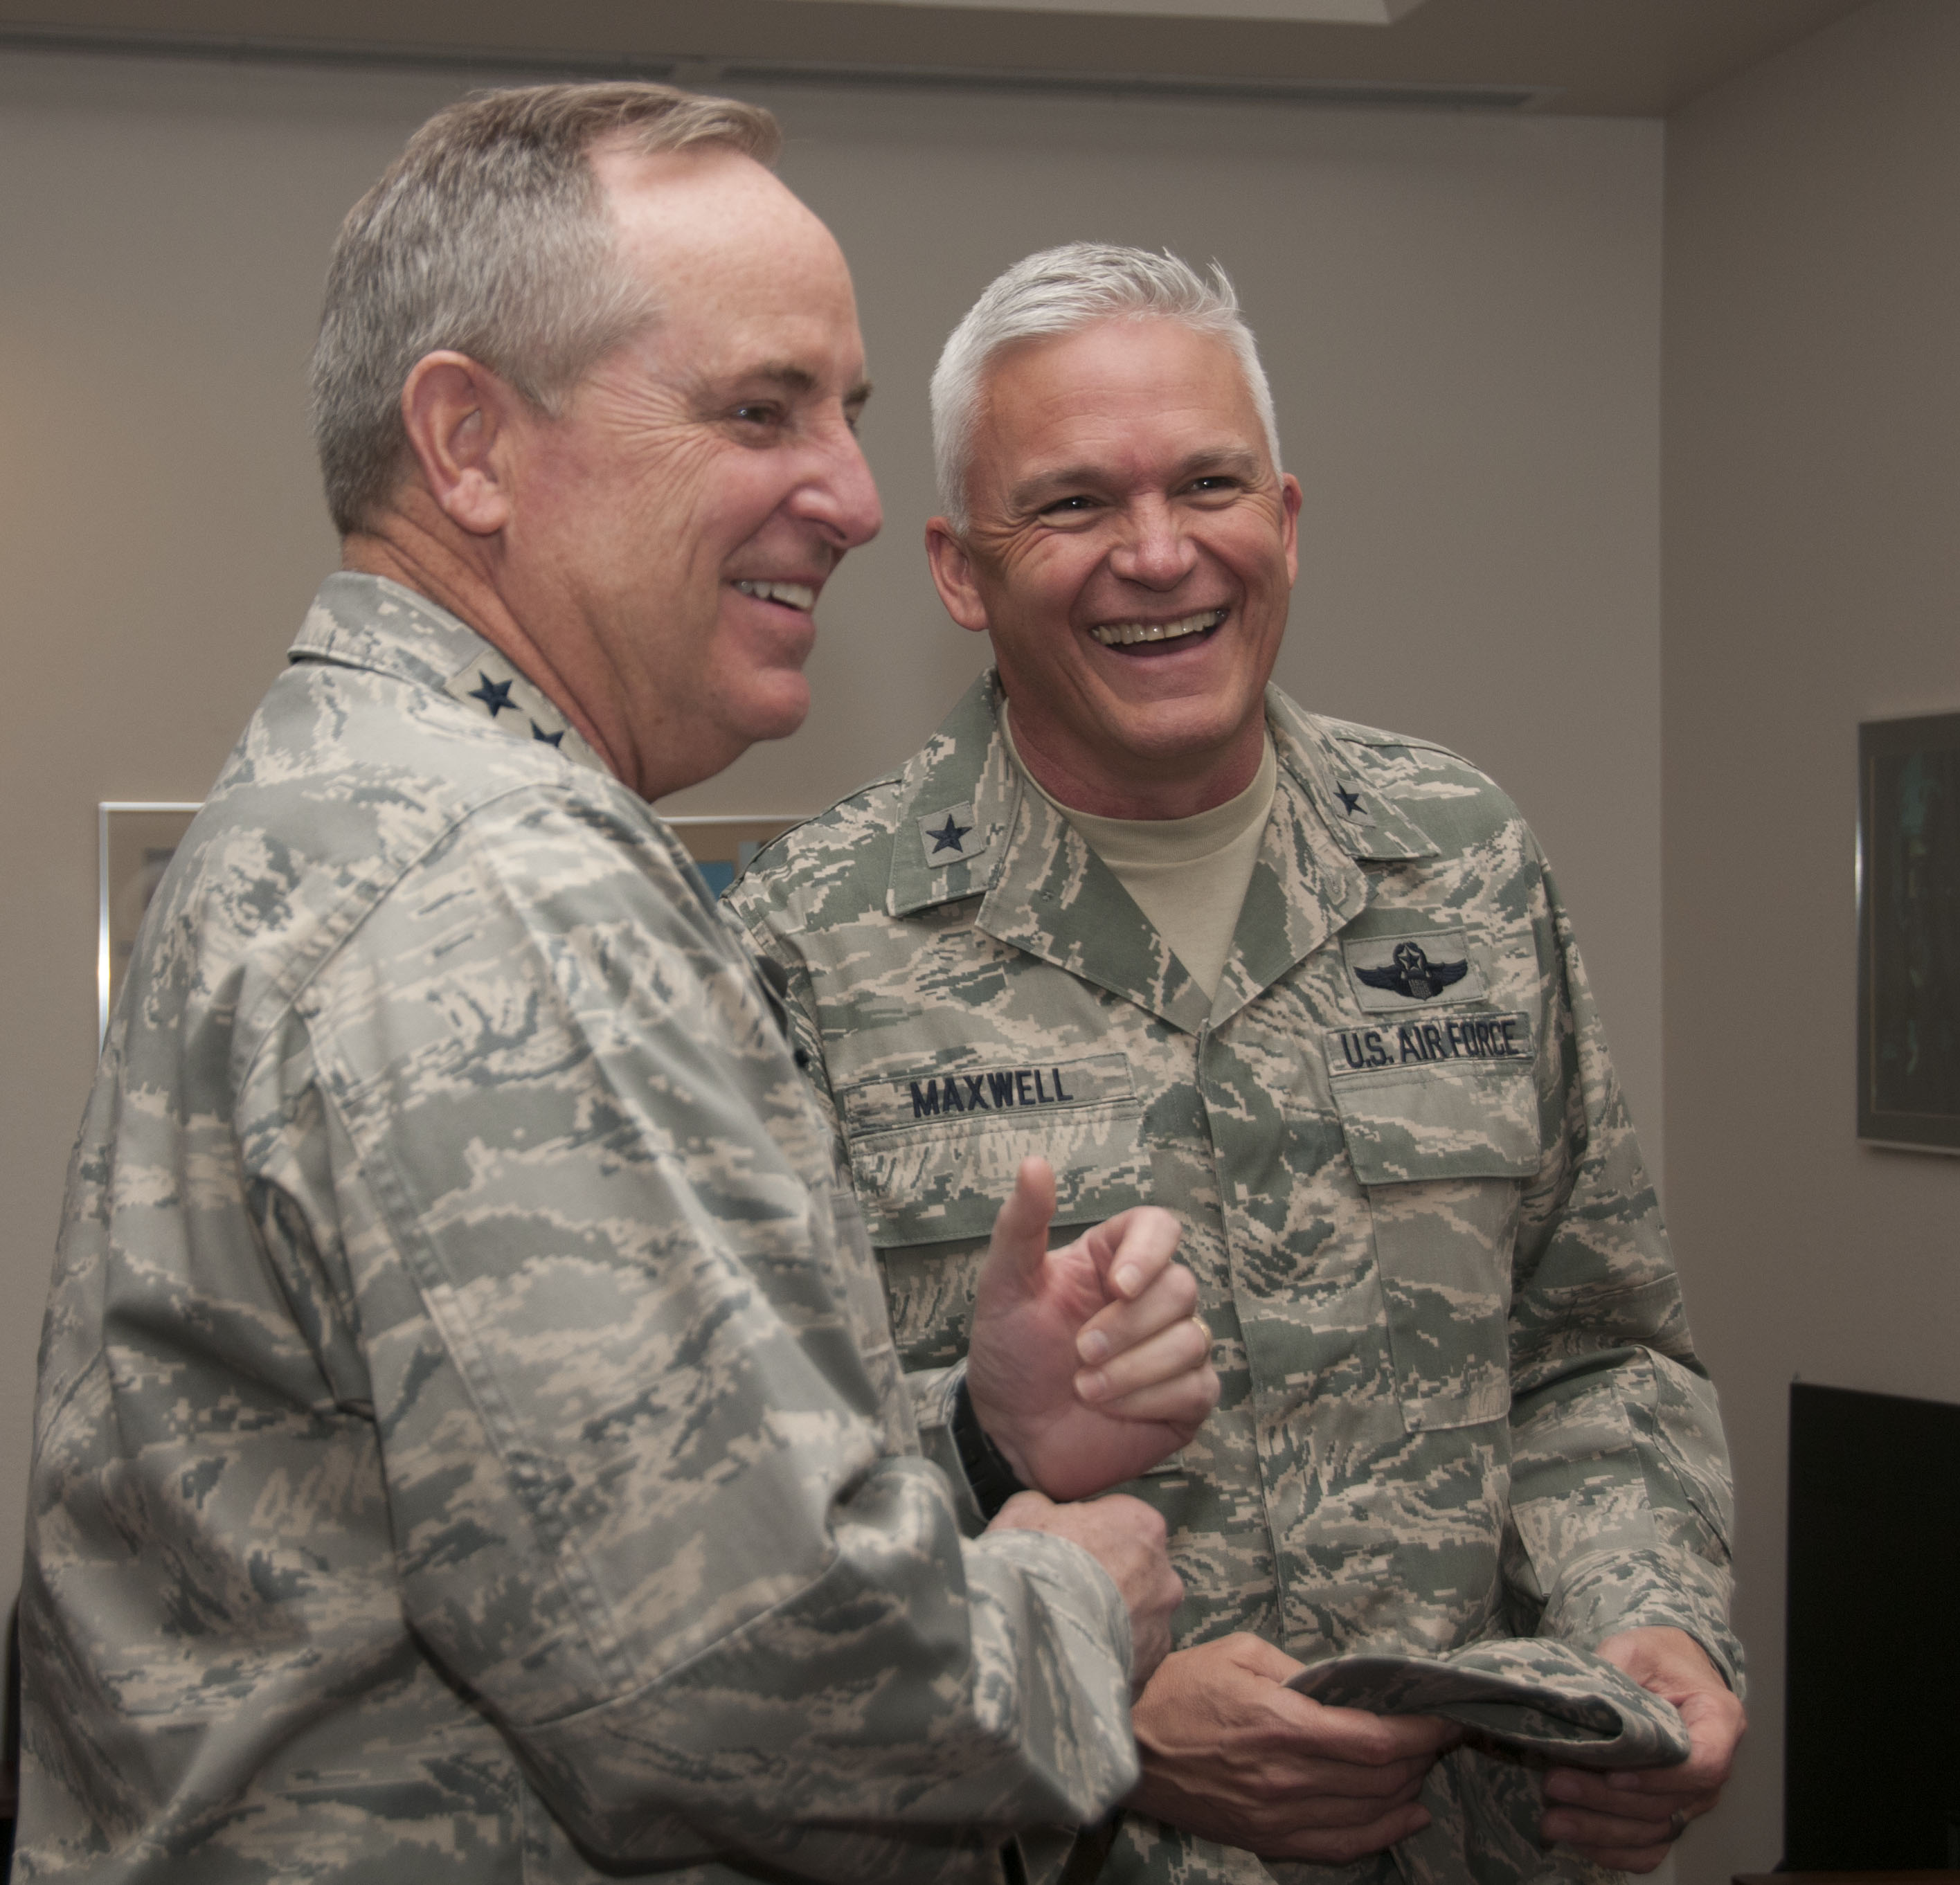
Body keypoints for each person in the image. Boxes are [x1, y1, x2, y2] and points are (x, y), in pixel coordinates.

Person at [16, 100, 1223, 1885]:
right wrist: (1071, 1607)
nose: (859, 498)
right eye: (760, 407)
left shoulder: (354, 798)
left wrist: (973, 1444)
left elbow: (542, 1529)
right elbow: (734, 1701)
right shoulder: (504, 885)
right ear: (470, 444)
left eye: (849, 413)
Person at [728, 244, 1747, 1885]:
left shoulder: (1464, 866)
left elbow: (1598, 1352)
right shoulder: (809, 944)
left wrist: (1649, 1624)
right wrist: (1096, 1717)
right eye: (1068, 505)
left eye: (1208, 484)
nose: (1156, 553)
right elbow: (751, 1522)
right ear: (957, 569)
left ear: (1283, 517)